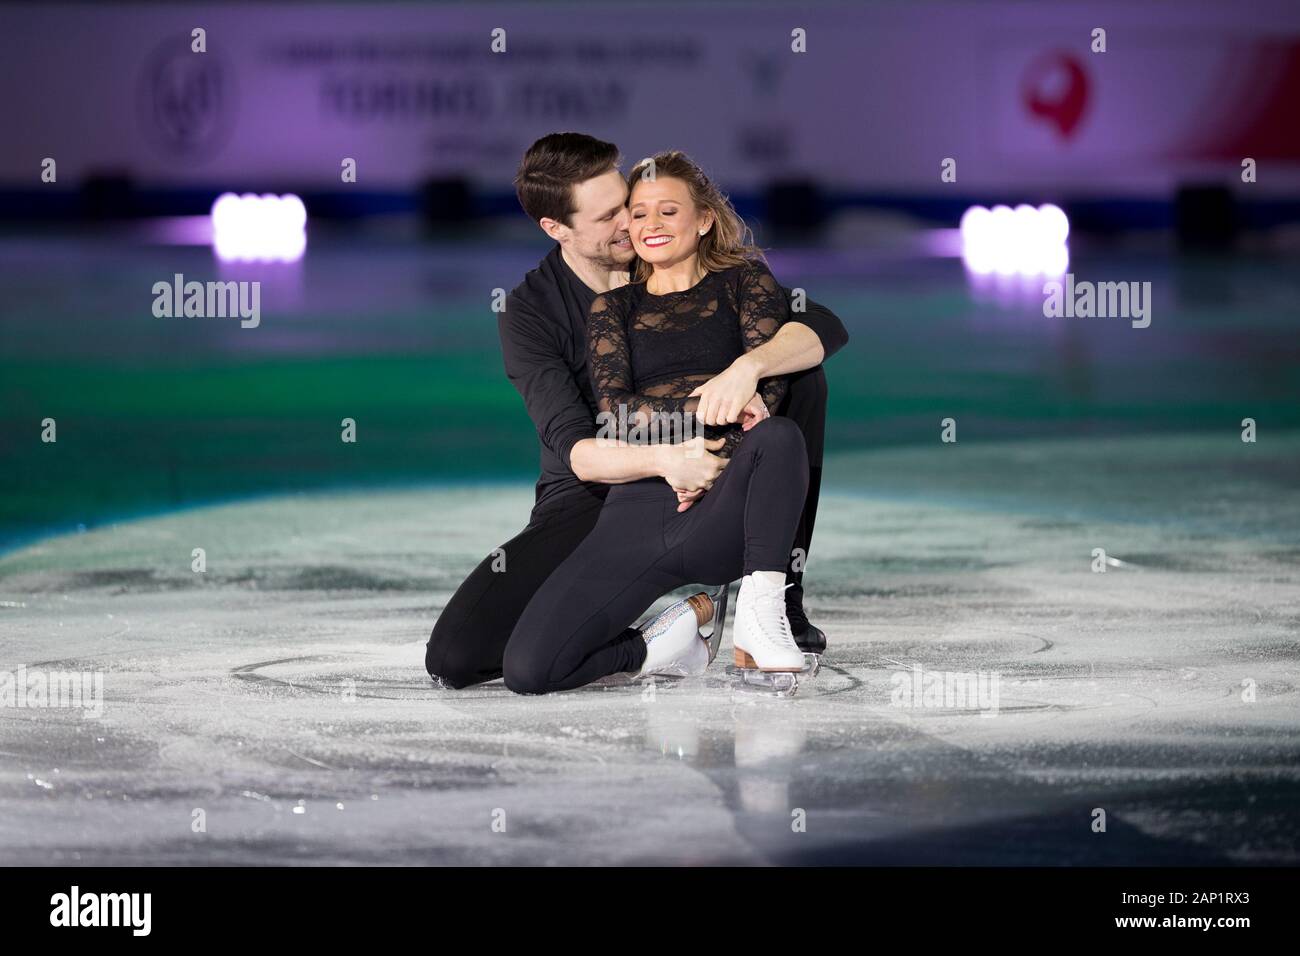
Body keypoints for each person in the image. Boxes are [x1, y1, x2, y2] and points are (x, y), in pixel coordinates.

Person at [425, 133, 848, 689]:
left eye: (626, 202)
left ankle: (778, 596)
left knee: (799, 375)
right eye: (608, 218)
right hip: (592, 499)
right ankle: (661, 642)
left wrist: (748, 369)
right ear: (557, 229)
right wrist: (671, 460)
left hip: (716, 464)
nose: (631, 224)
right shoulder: (531, 312)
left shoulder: (675, 257)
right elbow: (578, 449)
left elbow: (821, 325)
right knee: (457, 658)